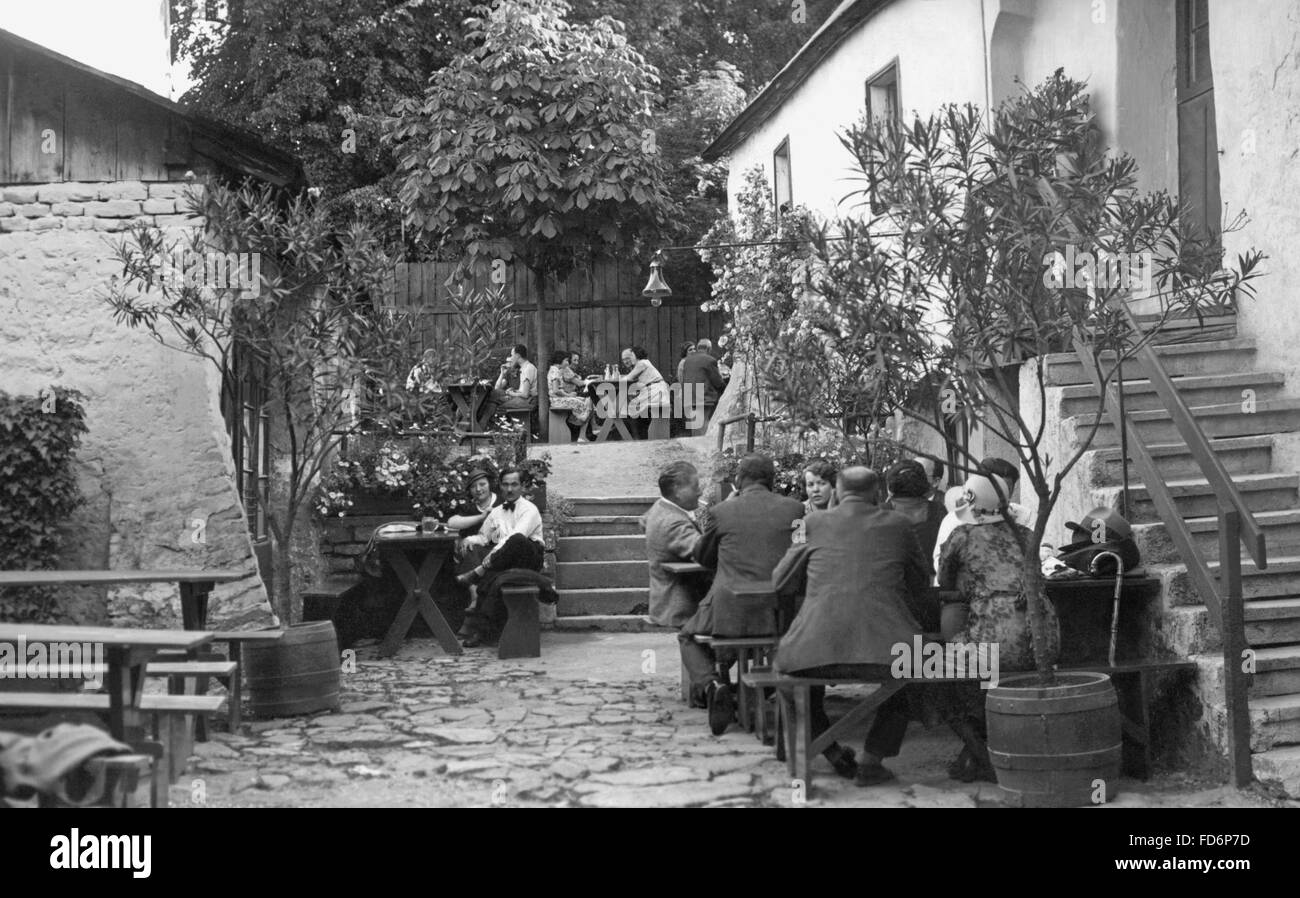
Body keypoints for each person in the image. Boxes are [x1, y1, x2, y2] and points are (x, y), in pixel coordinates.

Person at [773, 467, 931, 786]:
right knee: (915, 678)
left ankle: (830, 752)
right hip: (892, 651)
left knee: (787, 680)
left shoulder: (812, 523)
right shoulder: (900, 525)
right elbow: (921, 582)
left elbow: (779, 581)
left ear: (839, 491)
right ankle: (873, 759)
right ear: (877, 493)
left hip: (813, 647)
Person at [937, 472, 1061, 781]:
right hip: (1046, 643)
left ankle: (982, 756)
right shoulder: (1026, 534)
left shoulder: (961, 535)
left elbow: (944, 582)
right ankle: (984, 751)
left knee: (938, 671)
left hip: (995, 648)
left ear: (969, 501)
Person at [679, 453, 804, 733]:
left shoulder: (723, 512)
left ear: (739, 480)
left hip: (731, 611)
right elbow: (801, 553)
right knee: (765, 638)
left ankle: (713, 685)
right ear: (772, 480)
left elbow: (703, 557)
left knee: (688, 636)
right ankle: (763, 690)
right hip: (780, 613)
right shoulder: (795, 510)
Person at [455, 466, 547, 646]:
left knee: (517, 539)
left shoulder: (529, 509)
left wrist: (488, 561)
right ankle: (481, 631)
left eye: (514, 484)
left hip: (528, 557)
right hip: (504, 560)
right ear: (500, 486)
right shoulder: (496, 512)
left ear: (522, 487)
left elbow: (515, 538)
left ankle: (478, 572)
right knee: (491, 578)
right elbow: (484, 536)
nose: (510, 489)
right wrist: (469, 539)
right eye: (505, 485)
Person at [932, 456, 1032, 578]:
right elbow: (940, 567)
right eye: (996, 489)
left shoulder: (1024, 518)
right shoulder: (955, 524)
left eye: (1006, 490)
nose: (1001, 495)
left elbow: (1041, 555)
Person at [642, 461, 709, 632]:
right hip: (682, 608)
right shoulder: (673, 522)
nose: (700, 492)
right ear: (677, 490)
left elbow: (643, 520)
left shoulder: (659, 507)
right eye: (695, 487)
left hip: (665, 603)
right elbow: (705, 552)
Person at [884, 459, 947, 631]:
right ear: (924, 484)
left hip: (891, 601)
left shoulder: (880, 513)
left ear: (890, 486)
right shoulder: (939, 511)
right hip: (931, 600)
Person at [446, 463, 501, 639]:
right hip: (475, 560)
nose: (478, 489)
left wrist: (473, 539)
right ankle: (475, 598)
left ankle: (473, 610)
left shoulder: (500, 503)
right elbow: (452, 523)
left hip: (496, 554)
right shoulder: (470, 508)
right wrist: (481, 517)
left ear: (489, 484)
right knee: (468, 549)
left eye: (482, 484)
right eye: (474, 487)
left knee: (472, 548)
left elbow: (499, 534)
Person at [618, 346, 669, 440]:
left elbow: (628, 378)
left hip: (655, 391)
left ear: (636, 355)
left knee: (630, 408)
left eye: (631, 356)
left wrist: (618, 379)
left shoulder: (642, 363)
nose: (630, 359)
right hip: (655, 390)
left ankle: (636, 436)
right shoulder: (644, 363)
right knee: (633, 408)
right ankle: (637, 435)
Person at [678, 338, 727, 435]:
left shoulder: (687, 360)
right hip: (702, 395)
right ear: (709, 349)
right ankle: (703, 447)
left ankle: (695, 446)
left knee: (695, 425)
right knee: (703, 423)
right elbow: (717, 381)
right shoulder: (710, 360)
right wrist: (726, 388)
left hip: (688, 394)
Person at [480, 344, 538, 424]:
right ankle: (483, 424)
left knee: (496, 406)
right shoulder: (524, 368)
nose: (511, 357)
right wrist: (514, 391)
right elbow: (522, 391)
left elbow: (525, 394)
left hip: (529, 401)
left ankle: (485, 424)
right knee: (495, 394)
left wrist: (511, 393)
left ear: (517, 355)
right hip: (524, 399)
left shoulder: (528, 368)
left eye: (512, 355)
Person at [546, 350, 592, 440]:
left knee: (586, 401)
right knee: (584, 404)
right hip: (557, 401)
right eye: (566, 360)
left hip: (559, 399)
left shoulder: (555, 370)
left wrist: (569, 395)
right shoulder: (555, 371)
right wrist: (569, 395)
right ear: (560, 361)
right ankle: (578, 428)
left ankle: (581, 434)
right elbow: (556, 390)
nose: (568, 363)